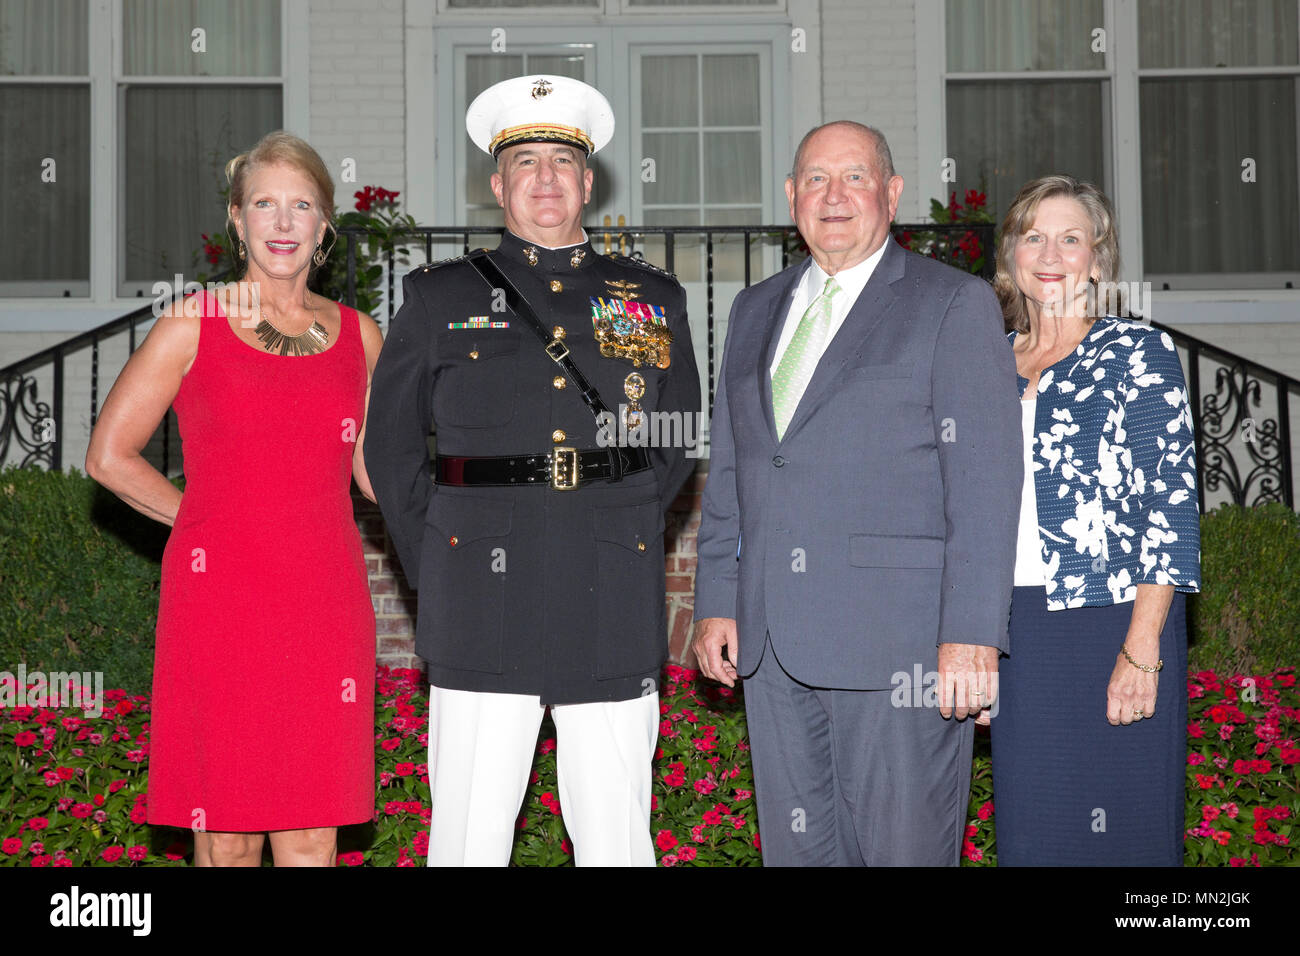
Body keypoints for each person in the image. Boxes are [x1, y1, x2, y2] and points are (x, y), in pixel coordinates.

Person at [363, 74, 700, 867]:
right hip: (478, 586)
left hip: (607, 583)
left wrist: (627, 520)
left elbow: (678, 430)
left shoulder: (645, 298)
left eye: (561, 162)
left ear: (588, 182)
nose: (545, 179)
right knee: (469, 837)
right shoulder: (438, 296)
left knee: (617, 835)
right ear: (497, 185)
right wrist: (437, 558)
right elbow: (392, 448)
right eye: (525, 164)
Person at [692, 120, 1022, 866]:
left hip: (898, 648)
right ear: (790, 196)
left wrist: (971, 633)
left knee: (901, 850)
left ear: (892, 193)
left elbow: (985, 482)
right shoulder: (754, 309)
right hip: (771, 646)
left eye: (854, 177)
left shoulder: (952, 304)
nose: (833, 196)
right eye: (815, 179)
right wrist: (717, 594)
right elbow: (739, 468)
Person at [86, 130, 383, 866]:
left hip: (325, 599)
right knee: (226, 832)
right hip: (221, 600)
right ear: (237, 219)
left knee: (315, 829)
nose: (282, 223)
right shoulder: (193, 323)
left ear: (324, 225)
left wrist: (463, 522)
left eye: (301, 206)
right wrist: (211, 527)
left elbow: (375, 475)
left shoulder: (361, 336)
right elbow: (109, 457)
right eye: (264, 205)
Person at [989, 175, 1200, 865]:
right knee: (1031, 835)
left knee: (1128, 840)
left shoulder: (1138, 352)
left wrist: (1143, 645)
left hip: (1113, 620)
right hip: (1014, 631)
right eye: (1034, 235)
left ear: (1099, 260)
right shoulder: (983, 360)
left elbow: (1171, 505)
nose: (1051, 252)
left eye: (1070, 238)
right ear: (1012, 253)